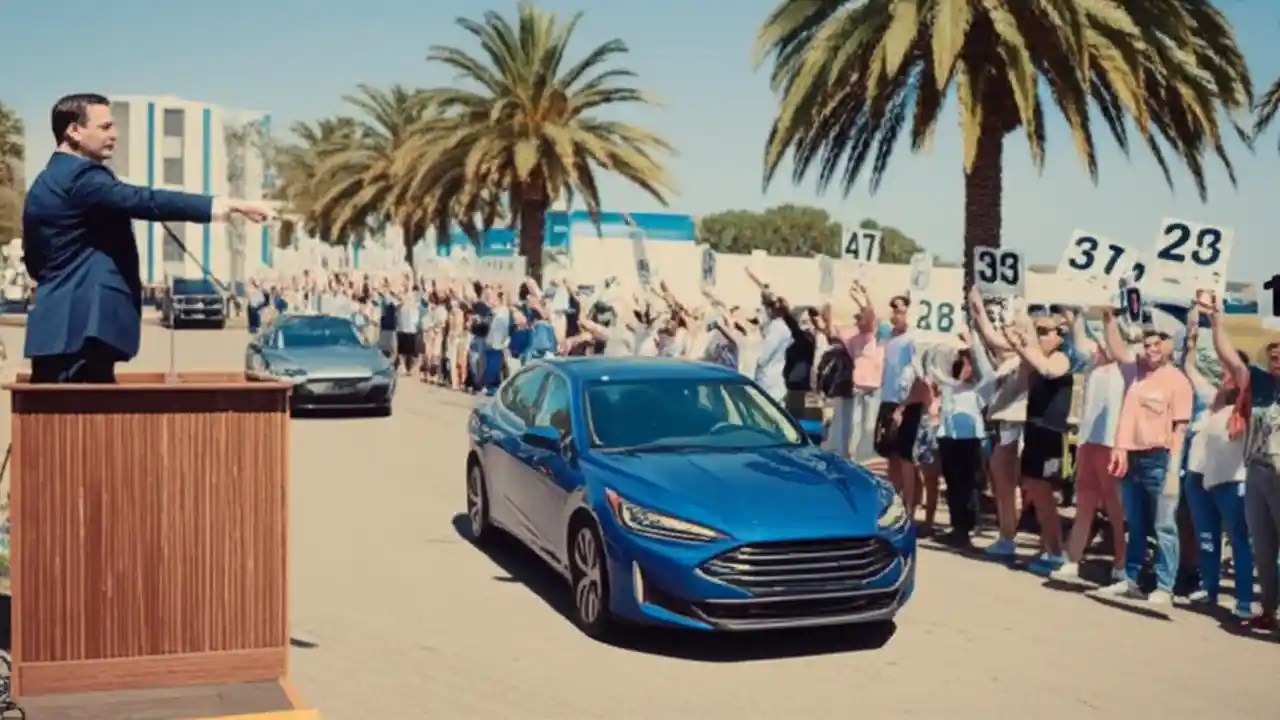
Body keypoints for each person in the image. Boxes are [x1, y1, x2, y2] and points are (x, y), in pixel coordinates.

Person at [22, 93, 269, 383]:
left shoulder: (45, 181)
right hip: (84, 330)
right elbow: (145, 200)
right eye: (105, 127)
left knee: (55, 424)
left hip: (56, 328)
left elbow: (36, 261)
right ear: (73, 130)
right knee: (87, 423)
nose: (114, 135)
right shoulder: (82, 177)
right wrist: (228, 205)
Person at [1097, 308, 1193, 604]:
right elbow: (1116, 350)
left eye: (1158, 343)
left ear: (1169, 345)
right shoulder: (1135, 372)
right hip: (1131, 459)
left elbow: (1180, 428)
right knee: (1135, 524)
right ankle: (1130, 579)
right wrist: (1109, 319)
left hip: (1160, 458)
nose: (1151, 349)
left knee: (1164, 525)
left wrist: (1174, 471)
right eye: (1148, 343)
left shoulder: (1178, 381)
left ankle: (1165, 587)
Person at [1206, 291, 1280, 630]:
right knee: (1263, 547)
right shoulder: (1259, 383)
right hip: (1257, 471)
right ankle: (1269, 609)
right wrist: (1215, 321)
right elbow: (1230, 359)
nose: (1278, 359)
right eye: (1274, 356)